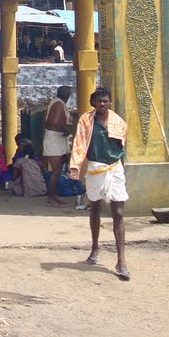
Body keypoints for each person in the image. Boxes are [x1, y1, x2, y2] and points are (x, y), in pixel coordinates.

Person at [69, 86, 130, 280]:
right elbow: (79, 143)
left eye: (106, 101)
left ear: (110, 102)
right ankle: (95, 248)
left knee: (118, 212)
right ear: (94, 102)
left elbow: (122, 148)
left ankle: (121, 260)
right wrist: (75, 166)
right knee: (95, 206)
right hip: (95, 167)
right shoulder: (86, 121)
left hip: (114, 167)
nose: (103, 104)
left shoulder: (119, 122)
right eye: (99, 101)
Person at [43, 86, 73, 207]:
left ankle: (54, 196)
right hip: (55, 138)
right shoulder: (59, 104)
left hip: (55, 138)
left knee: (58, 170)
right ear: (68, 96)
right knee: (56, 171)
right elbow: (55, 122)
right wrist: (65, 130)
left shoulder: (55, 103)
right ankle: (50, 198)